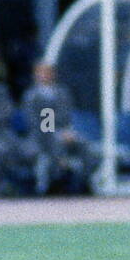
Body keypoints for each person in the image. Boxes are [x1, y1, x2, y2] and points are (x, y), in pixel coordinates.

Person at [21, 61, 95, 194]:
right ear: (36, 75)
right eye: (41, 73)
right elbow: (36, 122)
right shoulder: (31, 96)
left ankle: (84, 180)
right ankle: (56, 182)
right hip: (41, 135)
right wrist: (56, 130)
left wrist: (66, 131)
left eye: (48, 72)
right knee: (55, 142)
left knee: (84, 144)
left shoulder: (63, 93)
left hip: (63, 131)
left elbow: (66, 115)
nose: (45, 75)